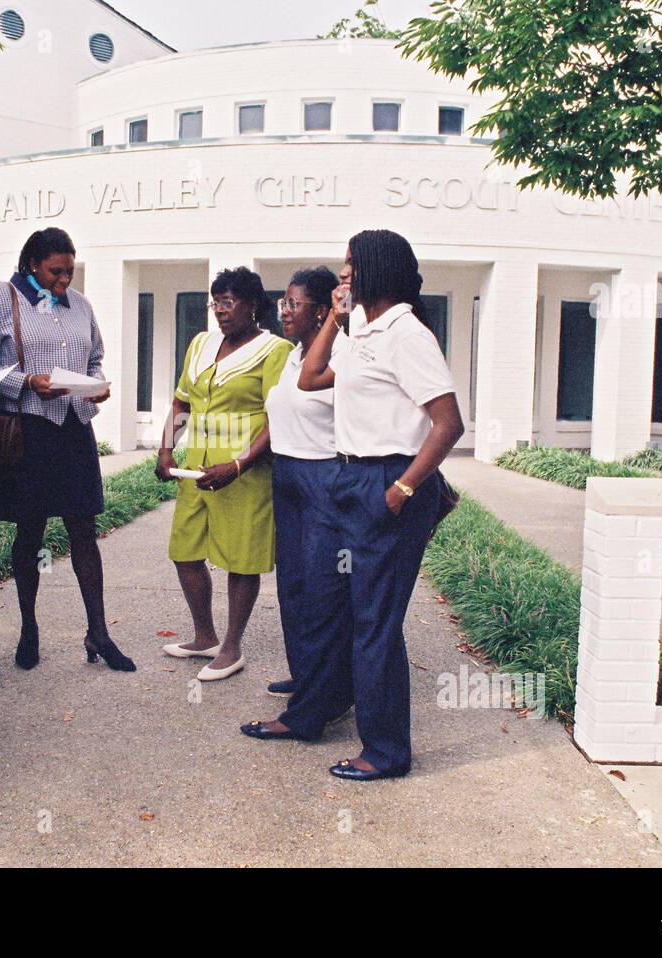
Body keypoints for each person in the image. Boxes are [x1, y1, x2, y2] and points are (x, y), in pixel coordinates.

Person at [289, 230, 464, 781]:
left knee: (375, 623)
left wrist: (403, 489)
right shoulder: (364, 331)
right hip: (349, 475)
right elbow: (310, 378)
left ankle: (386, 752)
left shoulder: (406, 334)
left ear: (375, 271)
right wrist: (338, 322)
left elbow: (448, 423)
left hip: (387, 480)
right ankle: (315, 711)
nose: (342, 277)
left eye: (349, 267)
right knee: (333, 604)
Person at [0, 227, 135, 672]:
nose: (65, 280)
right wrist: (24, 382)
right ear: (32, 266)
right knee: (30, 533)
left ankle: (98, 632)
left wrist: (94, 387)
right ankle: (28, 628)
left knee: (85, 530)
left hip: (73, 429)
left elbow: (94, 355)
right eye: (55, 272)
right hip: (27, 432)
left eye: (70, 271)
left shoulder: (80, 305)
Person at [156, 267, 292, 681]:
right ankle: (205, 636)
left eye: (228, 302)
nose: (220, 311)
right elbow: (182, 403)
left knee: (241, 557)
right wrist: (165, 446)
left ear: (252, 305)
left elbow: (279, 417)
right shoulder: (200, 344)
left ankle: (232, 647)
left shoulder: (275, 350)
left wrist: (238, 464)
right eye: (215, 303)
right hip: (196, 465)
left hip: (244, 469)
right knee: (185, 550)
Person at [251, 267, 347, 717]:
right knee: (291, 582)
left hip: (322, 476)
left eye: (294, 304)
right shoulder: (294, 354)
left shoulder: (341, 354)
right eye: (282, 304)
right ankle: (308, 672)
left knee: (321, 590)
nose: (284, 312)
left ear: (324, 311)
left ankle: (319, 701)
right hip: (286, 472)